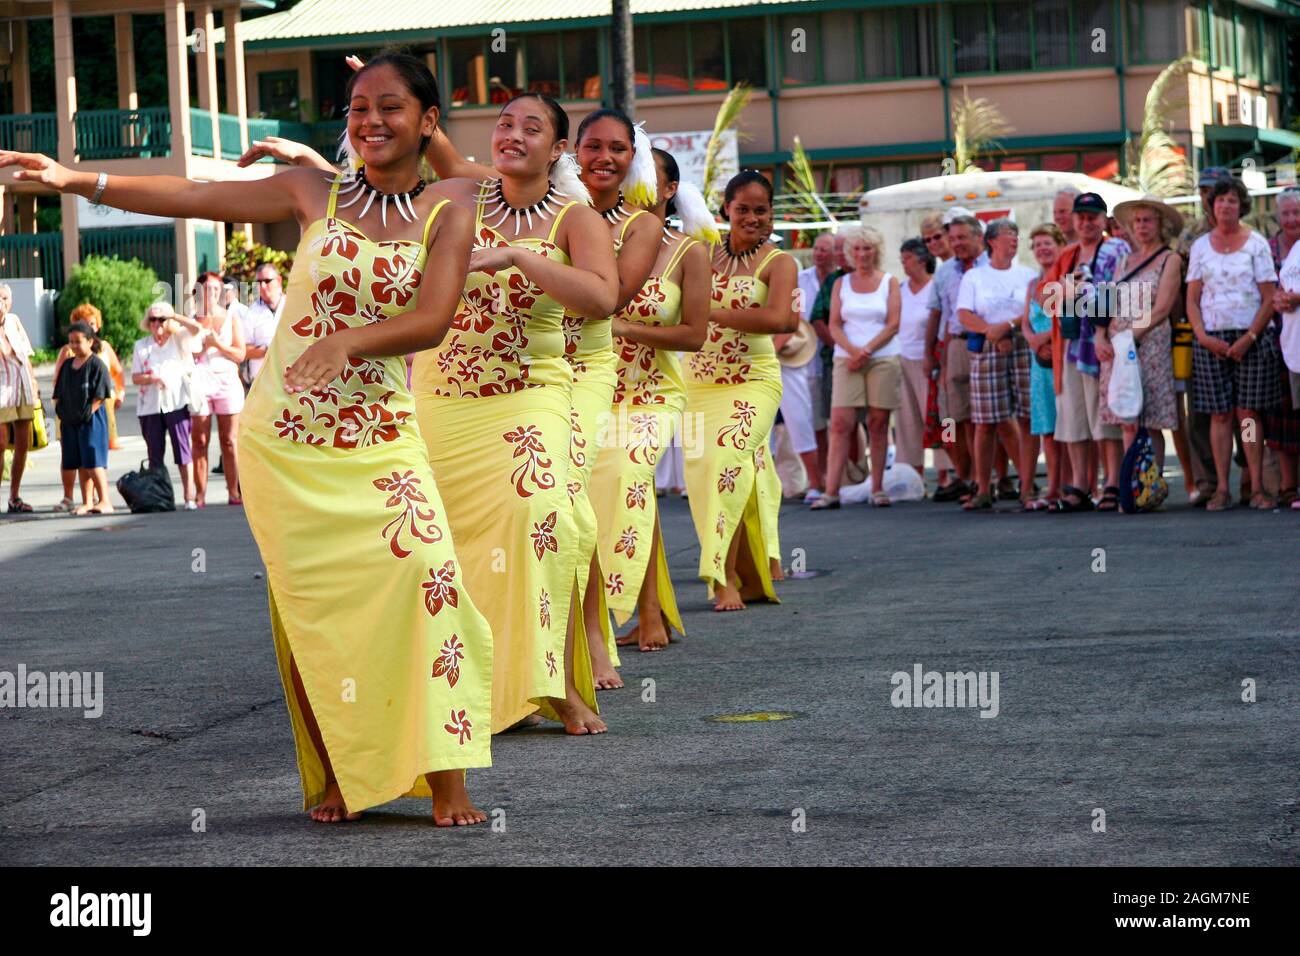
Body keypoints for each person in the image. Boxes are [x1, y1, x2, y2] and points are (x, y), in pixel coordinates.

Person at [4, 49, 496, 824]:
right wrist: (74, 179)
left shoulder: (450, 210)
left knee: (428, 585)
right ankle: (338, 771)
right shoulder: (313, 190)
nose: (369, 120)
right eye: (357, 108)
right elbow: (198, 192)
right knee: (313, 609)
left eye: (390, 106)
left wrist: (348, 343)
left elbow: (432, 319)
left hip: (381, 439)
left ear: (428, 121)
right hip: (287, 443)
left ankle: (448, 777)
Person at [240, 80, 620, 733]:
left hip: (530, 392)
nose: (513, 135)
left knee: (544, 518)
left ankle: (550, 680)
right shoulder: (456, 196)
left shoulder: (574, 218)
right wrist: (303, 154)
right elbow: (368, 196)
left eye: (532, 128)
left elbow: (601, 297)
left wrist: (519, 262)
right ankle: (464, 684)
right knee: (445, 547)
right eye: (505, 123)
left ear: (559, 148)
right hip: (440, 394)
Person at [592, 147, 710, 652]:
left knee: (628, 475)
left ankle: (633, 609)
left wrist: (623, 325)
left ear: (667, 190)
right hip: (596, 391)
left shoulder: (690, 252)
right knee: (624, 495)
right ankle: (645, 609)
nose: (634, 186)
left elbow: (694, 335)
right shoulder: (599, 239)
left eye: (648, 179)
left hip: (652, 394)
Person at [684, 170, 797, 610]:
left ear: (771, 216)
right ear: (725, 210)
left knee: (728, 459)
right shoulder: (699, 250)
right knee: (707, 476)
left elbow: (780, 320)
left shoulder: (779, 262)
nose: (752, 217)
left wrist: (714, 313)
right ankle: (758, 561)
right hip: (697, 382)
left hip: (753, 380)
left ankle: (724, 574)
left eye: (761, 210)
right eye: (743, 209)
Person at [1186, 177, 1281, 510]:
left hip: (1251, 336)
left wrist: (1250, 337)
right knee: (1220, 415)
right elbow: (1192, 299)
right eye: (1219, 200)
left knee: (1248, 415)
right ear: (1211, 207)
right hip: (1212, 338)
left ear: (1242, 205)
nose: (1225, 206)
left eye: (1232, 200)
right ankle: (1222, 488)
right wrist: (1202, 336)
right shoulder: (1199, 247)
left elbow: (1270, 298)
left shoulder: (1257, 244)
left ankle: (1256, 486)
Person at [1043, 192, 1130, 511]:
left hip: (1100, 341)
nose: (1085, 222)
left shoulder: (1116, 249)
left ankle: (1112, 482)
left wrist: (1100, 331)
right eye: (1081, 216)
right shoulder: (1069, 254)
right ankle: (1080, 484)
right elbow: (1046, 298)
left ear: (1103, 220)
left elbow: (1119, 292)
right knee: (1073, 416)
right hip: (1069, 342)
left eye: (1092, 216)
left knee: (1103, 416)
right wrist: (1065, 291)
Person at [1095, 198, 1184, 487]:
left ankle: (1149, 484)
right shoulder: (1123, 261)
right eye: (1137, 221)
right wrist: (1100, 335)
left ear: (1160, 225)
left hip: (1149, 343)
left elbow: (1163, 306)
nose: (1142, 226)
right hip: (1119, 342)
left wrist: (1131, 336)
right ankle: (1129, 484)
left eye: (1148, 220)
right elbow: (1107, 300)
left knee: (1151, 419)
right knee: (1126, 417)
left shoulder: (1169, 259)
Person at [814, 225, 901, 509]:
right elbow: (834, 323)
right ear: (851, 253)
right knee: (839, 423)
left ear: (877, 251)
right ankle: (831, 491)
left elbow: (893, 324)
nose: (863, 254)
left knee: (878, 423)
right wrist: (854, 352)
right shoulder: (842, 282)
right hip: (846, 358)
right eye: (858, 249)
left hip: (883, 357)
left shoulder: (889, 281)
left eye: (868, 248)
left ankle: (877, 488)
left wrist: (867, 350)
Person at [954, 218, 1035, 510]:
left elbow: (1031, 311)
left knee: (1027, 418)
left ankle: (1027, 487)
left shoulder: (1028, 274)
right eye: (1007, 235)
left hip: (1023, 344)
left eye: (1016, 234)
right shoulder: (975, 277)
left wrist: (1008, 326)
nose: (1014, 239)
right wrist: (992, 332)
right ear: (991, 241)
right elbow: (964, 314)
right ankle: (983, 487)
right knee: (985, 422)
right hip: (987, 347)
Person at [925, 212, 987, 502]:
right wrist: (931, 355)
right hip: (955, 345)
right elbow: (938, 314)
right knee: (957, 419)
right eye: (953, 238)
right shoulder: (945, 271)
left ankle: (996, 478)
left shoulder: (993, 265)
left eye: (962, 237)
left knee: (989, 417)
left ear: (979, 237)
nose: (956, 243)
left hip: (988, 343)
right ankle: (968, 477)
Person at [130, 301, 204, 508]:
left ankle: (189, 496)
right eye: (153, 319)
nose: (157, 323)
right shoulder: (142, 346)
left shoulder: (178, 339)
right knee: (154, 452)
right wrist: (152, 379)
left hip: (176, 402)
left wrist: (174, 315)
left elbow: (197, 329)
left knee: (182, 449)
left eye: (161, 319)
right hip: (150, 405)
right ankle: (160, 496)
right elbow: (135, 377)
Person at [189, 271, 246, 507]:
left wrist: (217, 344)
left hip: (226, 382)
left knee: (230, 440)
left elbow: (240, 354)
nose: (212, 293)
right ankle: (200, 494)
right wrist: (201, 348)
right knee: (200, 439)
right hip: (200, 383)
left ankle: (234, 492)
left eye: (216, 288)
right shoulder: (192, 319)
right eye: (208, 288)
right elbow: (186, 353)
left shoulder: (231, 316)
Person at [788, 231, 836, 500]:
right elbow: (794, 315)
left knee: (838, 423)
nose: (818, 254)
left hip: (829, 358)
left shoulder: (838, 280)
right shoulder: (800, 281)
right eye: (816, 249)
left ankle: (843, 474)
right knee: (813, 421)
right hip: (801, 360)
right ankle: (820, 478)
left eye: (824, 250)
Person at [1021, 224, 1067, 509]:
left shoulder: (1066, 279)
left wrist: (1048, 337)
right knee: (1047, 427)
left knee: (1069, 425)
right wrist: (1033, 340)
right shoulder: (1032, 283)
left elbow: (1071, 317)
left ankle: (1075, 484)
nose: (1043, 249)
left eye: (1048, 243)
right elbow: (1025, 321)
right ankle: (1053, 486)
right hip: (1039, 363)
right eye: (1037, 245)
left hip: (1063, 355)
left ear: (1060, 244)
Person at [51, 321, 113, 515]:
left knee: (94, 461)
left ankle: (105, 501)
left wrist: (87, 413)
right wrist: (63, 412)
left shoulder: (97, 365)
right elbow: (59, 391)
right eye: (71, 342)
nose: (74, 346)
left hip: (91, 420)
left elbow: (101, 396)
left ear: (90, 341)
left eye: (78, 341)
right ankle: (87, 502)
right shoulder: (68, 365)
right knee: (80, 463)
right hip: (70, 421)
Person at [1264, 189, 1300, 508]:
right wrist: (1275, 300)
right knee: (1282, 416)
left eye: (1297, 212)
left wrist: (1294, 298)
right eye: (1287, 213)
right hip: (1278, 341)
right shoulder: (1269, 247)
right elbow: (1262, 289)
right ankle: (1288, 486)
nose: (1292, 219)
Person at [894, 237, 935, 485]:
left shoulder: (934, 287)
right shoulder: (900, 289)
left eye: (908, 258)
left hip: (929, 359)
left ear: (921, 260)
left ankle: (946, 471)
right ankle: (913, 473)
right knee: (907, 419)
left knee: (941, 418)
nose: (904, 264)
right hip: (903, 358)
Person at [58, 303, 125, 452]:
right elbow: (58, 380)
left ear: (98, 326)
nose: (88, 327)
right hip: (73, 407)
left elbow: (118, 372)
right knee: (73, 454)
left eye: (92, 323)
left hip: (102, 404)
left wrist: (120, 393)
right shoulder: (68, 351)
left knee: (100, 453)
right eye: (83, 323)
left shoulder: (104, 347)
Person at [0, 284, 38, 513]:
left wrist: (33, 384)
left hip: (21, 384)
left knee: (23, 443)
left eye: (4, 298)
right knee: (1, 442)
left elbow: (26, 355)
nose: (1, 303)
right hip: (1, 387)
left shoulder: (14, 321)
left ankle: (14, 496)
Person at [240, 262, 285, 387]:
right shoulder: (251, 312)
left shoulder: (292, 306)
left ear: (279, 280)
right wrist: (268, 350)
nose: (263, 286)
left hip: (289, 379)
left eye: (267, 281)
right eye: (259, 282)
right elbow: (243, 350)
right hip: (261, 382)